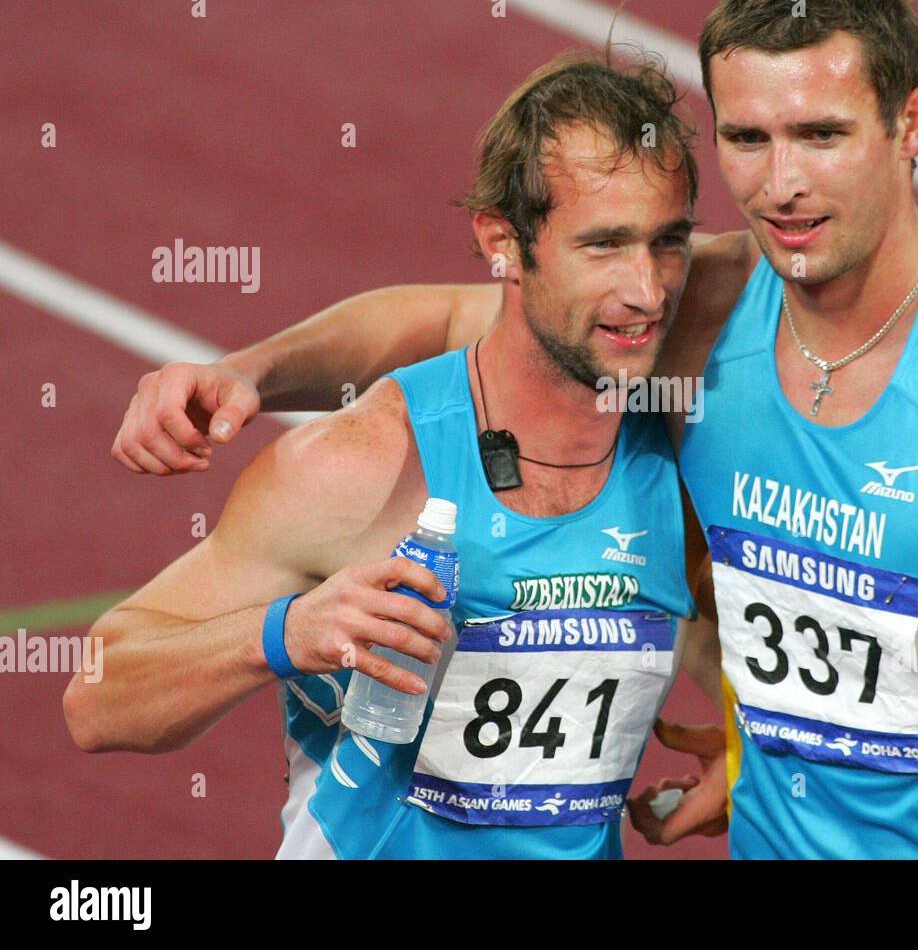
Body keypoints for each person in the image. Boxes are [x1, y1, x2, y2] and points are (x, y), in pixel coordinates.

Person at [108, 0, 918, 859]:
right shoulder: (700, 305)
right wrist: (251, 374)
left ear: (910, 125)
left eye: (821, 134)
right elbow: (446, 320)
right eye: (747, 138)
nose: (781, 183)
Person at [67, 52, 720, 860]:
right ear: (503, 245)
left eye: (668, 242)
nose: (649, 290)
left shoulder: (684, 454)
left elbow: (709, 620)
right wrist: (288, 632)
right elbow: (95, 699)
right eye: (604, 245)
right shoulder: (364, 466)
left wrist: (753, 742)